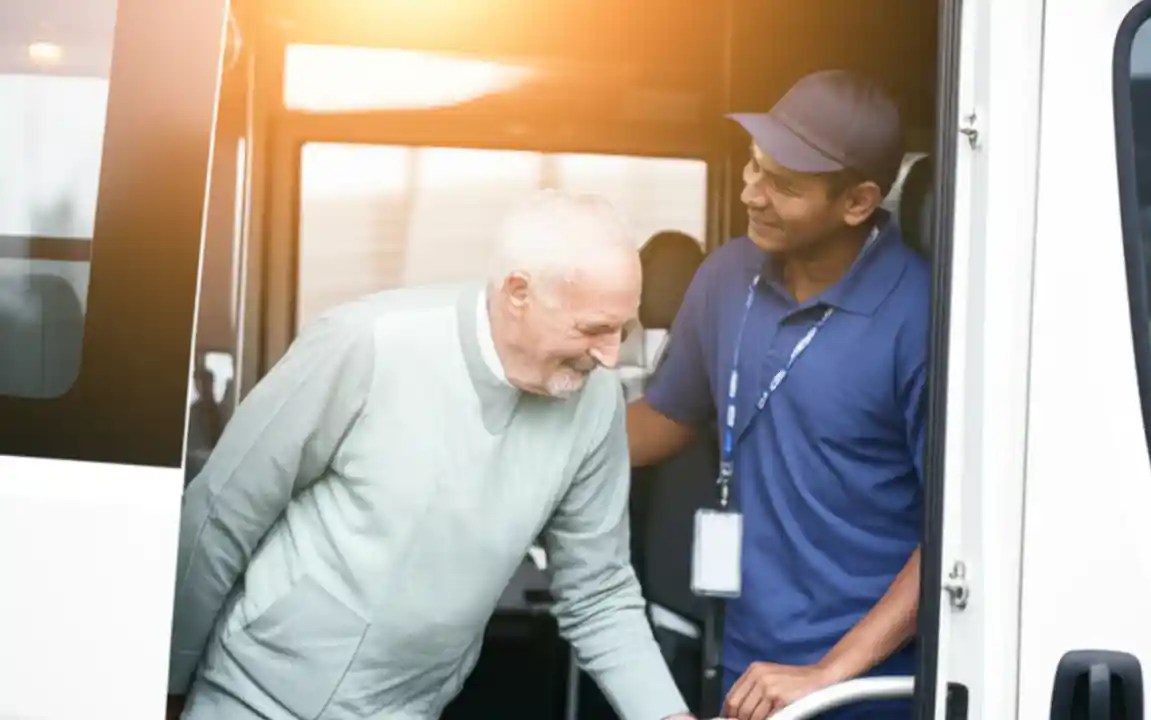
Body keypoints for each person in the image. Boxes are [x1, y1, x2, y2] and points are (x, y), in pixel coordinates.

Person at [166, 191, 695, 720]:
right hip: (250, 696)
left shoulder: (597, 403)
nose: (611, 355)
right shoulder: (366, 343)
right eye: (594, 329)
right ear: (518, 292)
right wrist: (165, 684)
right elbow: (221, 515)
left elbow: (600, 592)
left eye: (623, 329)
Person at [628, 69, 929, 720]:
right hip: (751, 671)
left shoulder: (921, 311)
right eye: (752, 165)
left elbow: (955, 536)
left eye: (783, 184)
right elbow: (666, 418)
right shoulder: (726, 274)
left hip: (870, 685)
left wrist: (829, 674)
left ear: (857, 202)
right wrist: (530, 450)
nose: (751, 194)